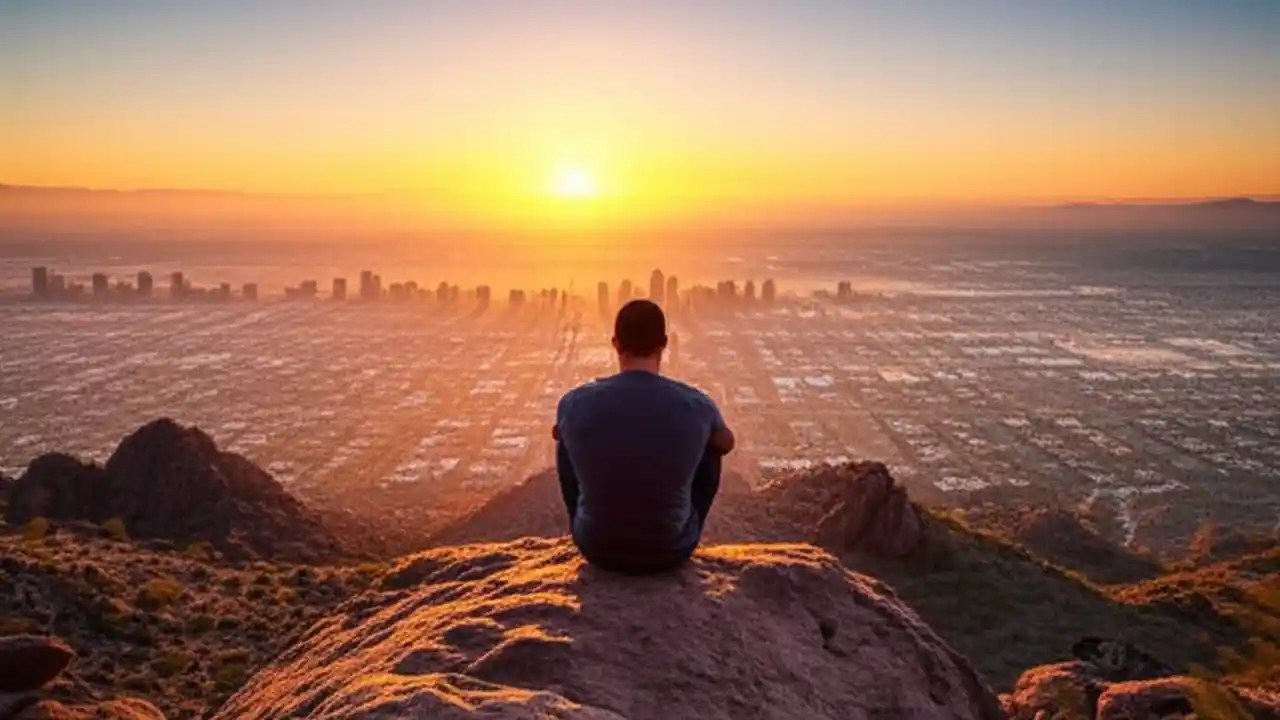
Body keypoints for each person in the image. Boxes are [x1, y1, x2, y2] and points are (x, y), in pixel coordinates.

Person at [553, 299, 735, 573]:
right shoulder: (696, 404)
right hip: (670, 549)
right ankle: (679, 521)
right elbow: (726, 443)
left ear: (615, 343)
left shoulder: (574, 401)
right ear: (664, 343)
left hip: (597, 548)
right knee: (710, 444)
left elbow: (559, 433)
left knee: (566, 438)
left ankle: (586, 520)